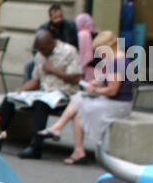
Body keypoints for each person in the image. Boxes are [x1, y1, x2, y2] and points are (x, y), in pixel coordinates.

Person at [39, 30, 133, 164]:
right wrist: (98, 82)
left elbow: (112, 91)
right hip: (117, 103)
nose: (101, 56)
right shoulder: (119, 59)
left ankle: (58, 127)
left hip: (118, 106)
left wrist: (94, 89)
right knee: (79, 108)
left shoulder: (117, 62)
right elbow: (114, 83)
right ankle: (78, 151)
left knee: (78, 99)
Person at [0, 29, 83, 159]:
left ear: (51, 43)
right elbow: (36, 80)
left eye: (43, 49)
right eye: (38, 49)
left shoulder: (69, 51)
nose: (41, 52)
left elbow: (76, 78)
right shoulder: (40, 55)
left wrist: (53, 70)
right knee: (10, 99)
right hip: (43, 91)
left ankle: (35, 147)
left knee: (42, 104)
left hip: (64, 93)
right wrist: (22, 90)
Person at [21, 4, 80, 85]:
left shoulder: (70, 26)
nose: (59, 20)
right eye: (56, 17)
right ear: (50, 17)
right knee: (29, 65)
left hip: (64, 55)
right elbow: (37, 47)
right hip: (46, 55)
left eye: (60, 16)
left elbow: (75, 44)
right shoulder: (43, 28)